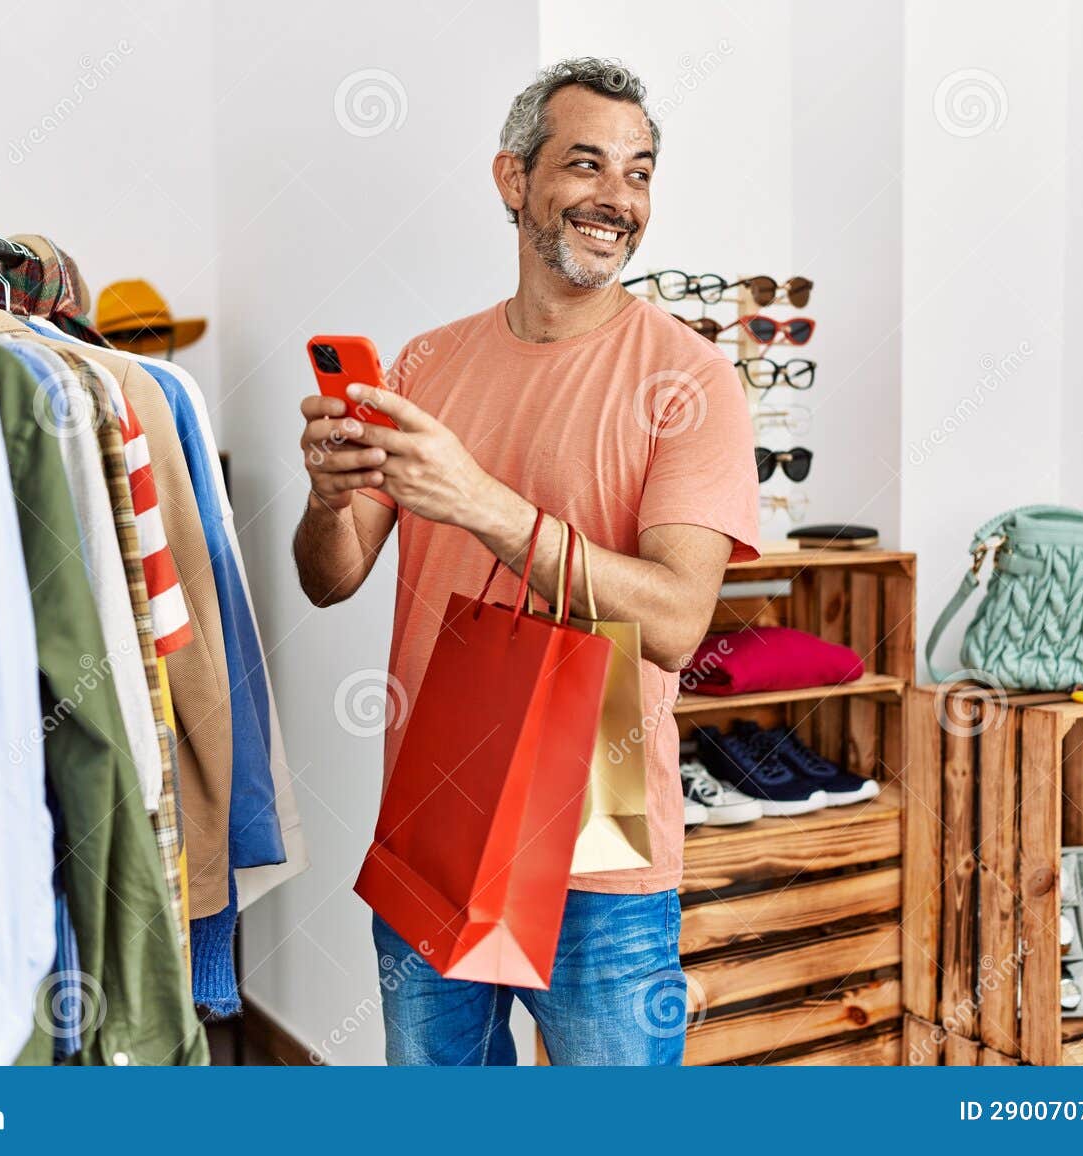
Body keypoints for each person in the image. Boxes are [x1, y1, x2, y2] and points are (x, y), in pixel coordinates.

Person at [294, 57, 760, 1065]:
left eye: (637, 173)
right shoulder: (426, 363)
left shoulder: (689, 378)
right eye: (586, 164)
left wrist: (485, 507)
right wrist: (329, 496)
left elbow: (678, 621)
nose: (616, 198)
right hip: (436, 809)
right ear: (514, 180)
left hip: (602, 831)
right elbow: (328, 577)